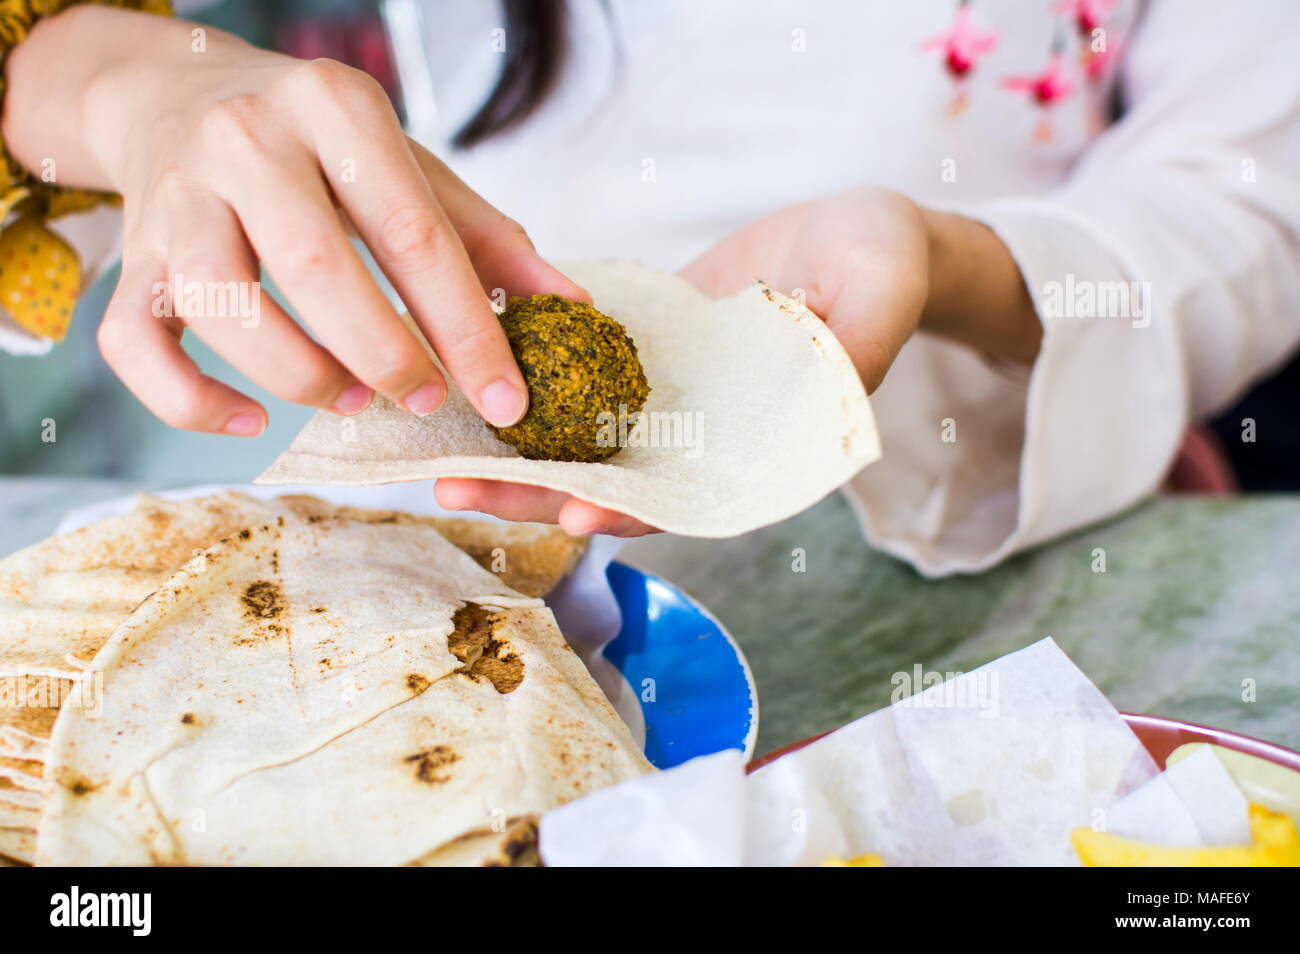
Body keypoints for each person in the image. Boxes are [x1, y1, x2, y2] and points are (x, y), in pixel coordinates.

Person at [2, 0, 1297, 574]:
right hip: (469, 490)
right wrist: (145, 88)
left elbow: (1251, 198)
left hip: (1003, 498)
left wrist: (949, 263)